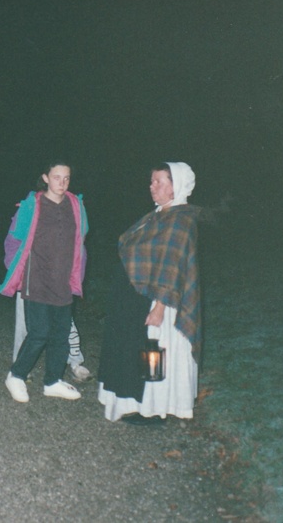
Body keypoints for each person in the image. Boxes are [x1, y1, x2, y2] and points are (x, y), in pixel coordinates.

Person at [97, 162, 201, 425]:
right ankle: (132, 403)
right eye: (152, 181)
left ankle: (154, 410)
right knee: (134, 350)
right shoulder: (157, 215)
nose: (152, 186)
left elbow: (172, 266)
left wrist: (159, 308)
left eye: (159, 182)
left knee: (154, 353)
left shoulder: (180, 220)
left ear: (175, 187)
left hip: (160, 301)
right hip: (138, 295)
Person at [0, 162, 89, 403]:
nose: (62, 183)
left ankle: (53, 381)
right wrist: (17, 271)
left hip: (63, 281)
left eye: (66, 178)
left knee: (60, 334)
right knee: (39, 333)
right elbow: (13, 240)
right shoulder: (32, 205)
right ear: (46, 178)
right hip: (36, 279)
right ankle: (16, 375)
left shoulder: (76, 205)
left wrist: (78, 275)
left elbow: (81, 241)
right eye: (57, 177)